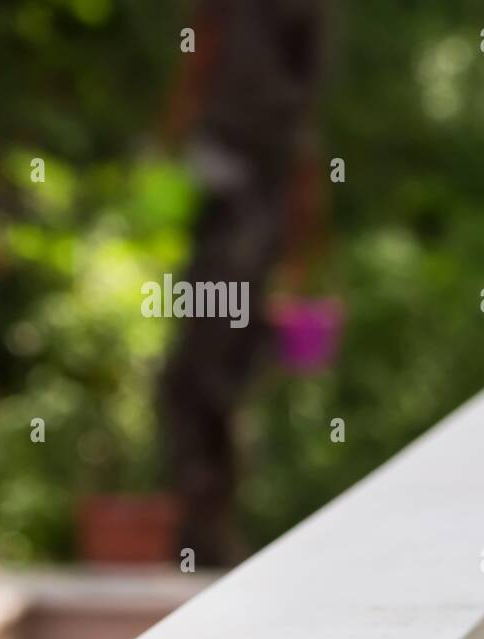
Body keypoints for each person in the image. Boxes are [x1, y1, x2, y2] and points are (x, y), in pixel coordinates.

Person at [157, 0, 327, 566]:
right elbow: (201, 50)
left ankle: (211, 529)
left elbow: (304, 110)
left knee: (211, 369)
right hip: (226, 175)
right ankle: (202, 527)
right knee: (198, 373)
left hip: (259, 183)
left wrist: (302, 224)